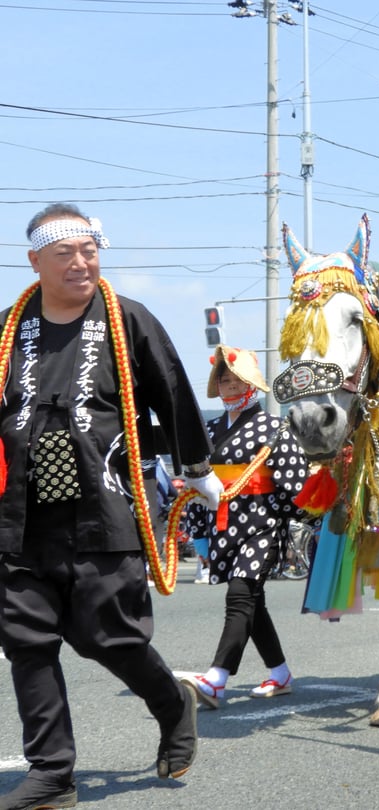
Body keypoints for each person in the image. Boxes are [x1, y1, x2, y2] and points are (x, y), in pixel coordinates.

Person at [0, 203, 223, 809]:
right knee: (27, 641)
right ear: (35, 261)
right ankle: (52, 773)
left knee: (109, 635)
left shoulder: (127, 320)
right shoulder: (6, 330)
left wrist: (197, 470)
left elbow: (173, 390)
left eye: (89, 250)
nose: (81, 262)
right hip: (21, 515)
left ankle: (172, 702)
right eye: (65, 253)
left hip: (104, 505)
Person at [180, 346, 310, 709]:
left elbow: (295, 483)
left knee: (240, 594)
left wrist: (287, 520)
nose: (231, 387)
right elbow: (195, 487)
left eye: (237, 381)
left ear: (251, 384)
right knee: (254, 602)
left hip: (263, 525)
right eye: (224, 380)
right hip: (223, 525)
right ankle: (280, 674)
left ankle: (217, 678)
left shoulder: (274, 429)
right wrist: (200, 534)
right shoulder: (208, 431)